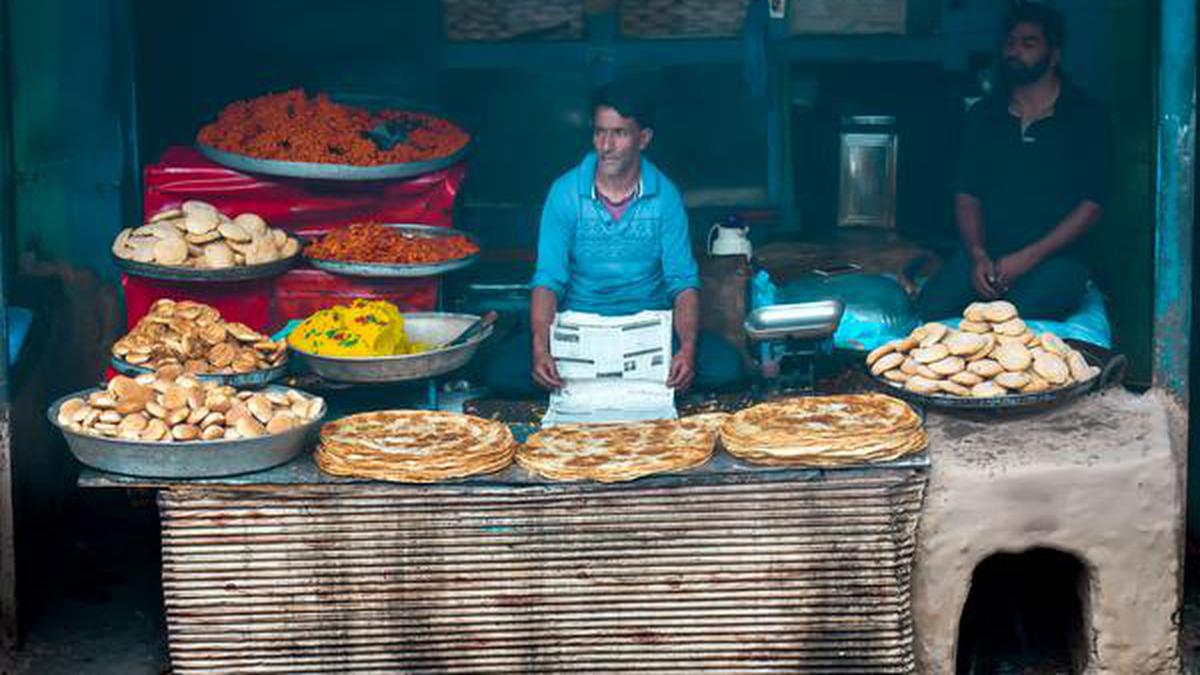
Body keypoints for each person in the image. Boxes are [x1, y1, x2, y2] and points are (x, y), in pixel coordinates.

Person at [480, 79, 745, 396]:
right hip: (578, 331)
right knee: (499, 371)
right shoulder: (565, 192)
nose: (605, 145)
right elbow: (548, 280)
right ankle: (605, 376)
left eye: (619, 133)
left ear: (643, 139)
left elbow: (682, 282)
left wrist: (686, 350)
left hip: (647, 333)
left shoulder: (665, 196)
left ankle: (607, 378)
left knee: (726, 367)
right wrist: (541, 350)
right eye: (599, 132)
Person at [916, 3, 1111, 320]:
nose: (1014, 51)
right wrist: (978, 255)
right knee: (931, 309)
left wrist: (1027, 258)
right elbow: (967, 194)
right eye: (1010, 42)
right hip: (988, 257)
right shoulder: (984, 116)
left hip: (1054, 258)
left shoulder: (1086, 117)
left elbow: (1091, 206)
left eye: (1028, 43)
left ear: (1054, 53)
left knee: (1018, 320)